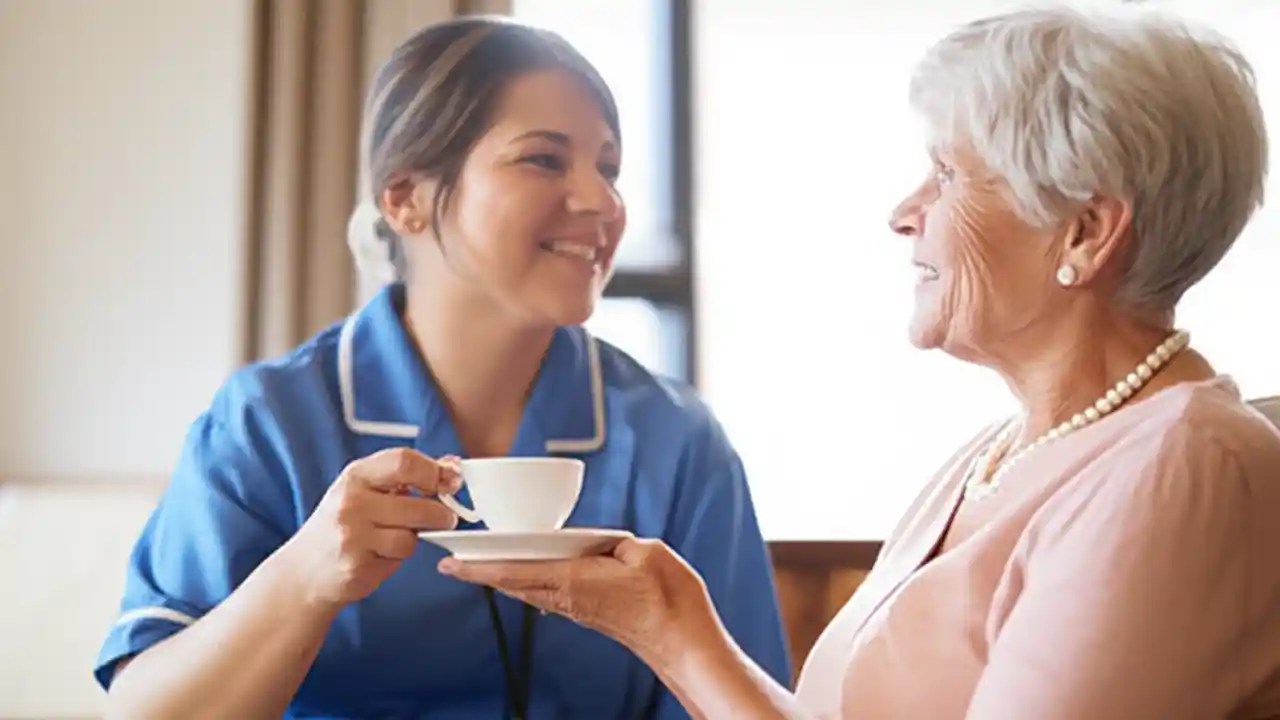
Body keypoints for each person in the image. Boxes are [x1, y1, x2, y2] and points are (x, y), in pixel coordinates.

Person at [441, 6, 1280, 719]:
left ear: (1087, 232)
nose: (905, 213)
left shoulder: (1187, 467)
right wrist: (669, 625)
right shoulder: (996, 456)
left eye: (947, 174)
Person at [95, 17, 789, 719]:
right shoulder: (266, 424)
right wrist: (305, 577)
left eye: (607, 168)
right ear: (405, 200)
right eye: (545, 160)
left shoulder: (676, 444)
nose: (603, 203)